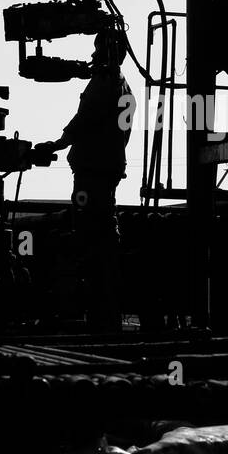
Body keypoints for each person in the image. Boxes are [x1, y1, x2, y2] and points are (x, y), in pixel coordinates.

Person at [39, 25, 136, 329]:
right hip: (106, 171)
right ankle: (105, 312)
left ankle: (98, 315)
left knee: (90, 239)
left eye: (99, 48)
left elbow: (86, 120)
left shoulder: (104, 82)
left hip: (92, 174)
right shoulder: (125, 88)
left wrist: (57, 143)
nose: (94, 54)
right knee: (103, 237)